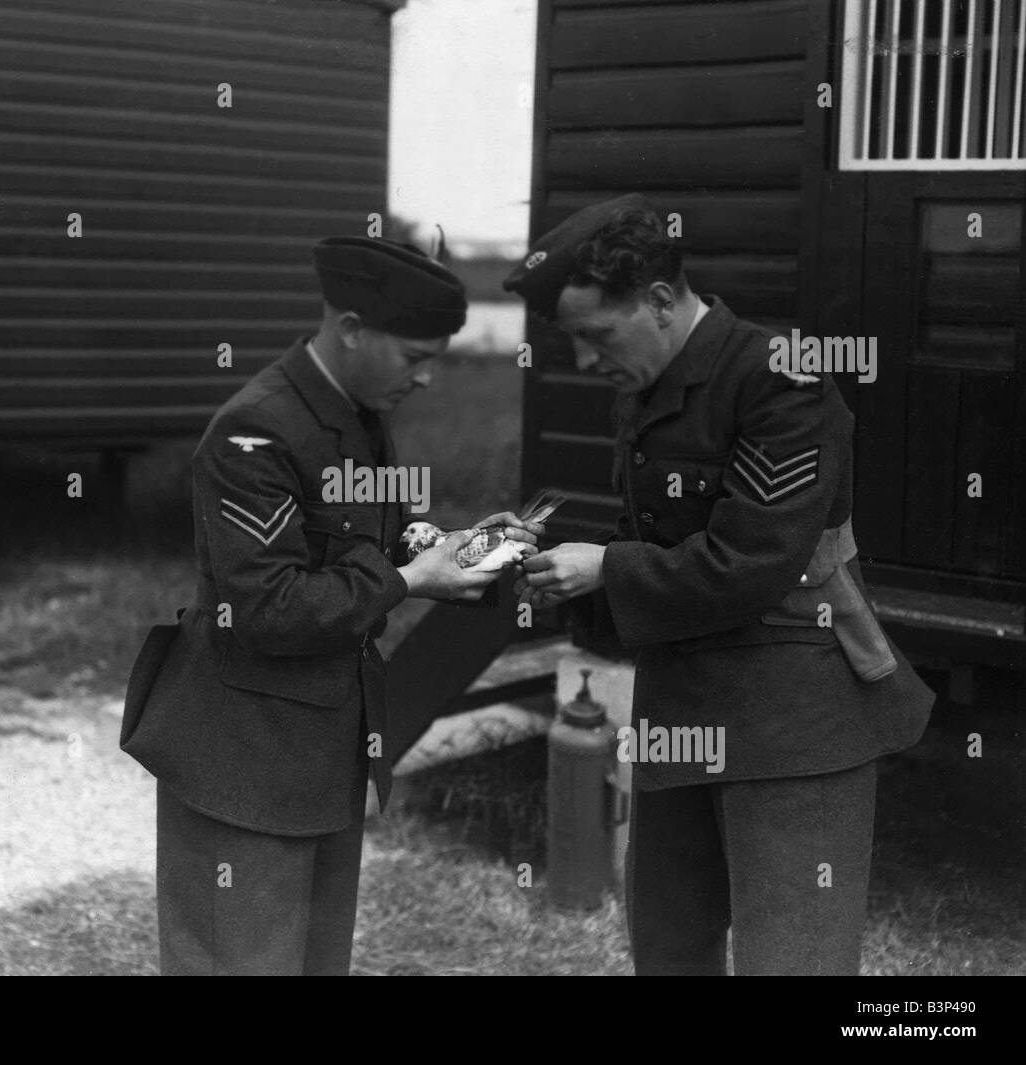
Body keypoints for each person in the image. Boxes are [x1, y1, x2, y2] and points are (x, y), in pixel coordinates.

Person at [504, 195, 935, 976]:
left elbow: (752, 561)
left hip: (793, 718)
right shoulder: (651, 383)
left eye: (595, 334)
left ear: (662, 301)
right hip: (685, 705)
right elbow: (665, 538)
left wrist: (603, 566)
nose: (585, 360)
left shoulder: (783, 378)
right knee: (670, 944)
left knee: (792, 958)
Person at [123, 234, 543, 975]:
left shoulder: (358, 410)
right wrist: (415, 580)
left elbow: (371, 532)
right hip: (244, 761)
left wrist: (450, 544)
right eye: (415, 356)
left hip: (321, 750)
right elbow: (267, 606)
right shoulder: (255, 430)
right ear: (351, 330)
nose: (427, 377)